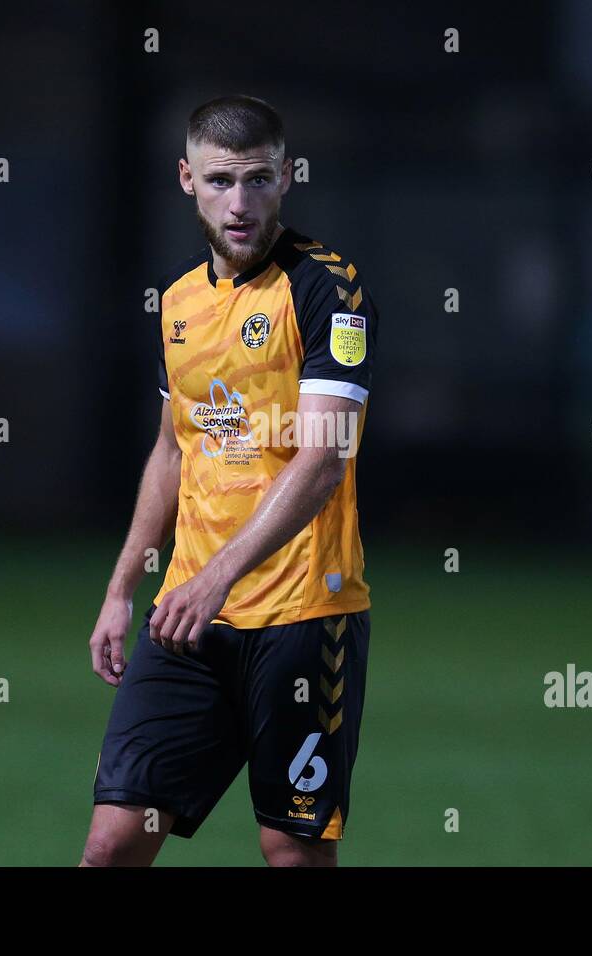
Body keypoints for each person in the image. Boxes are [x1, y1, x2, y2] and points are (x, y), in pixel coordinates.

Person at [80, 94, 379, 867]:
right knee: (114, 841)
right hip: (187, 615)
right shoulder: (177, 304)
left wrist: (219, 577)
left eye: (256, 180)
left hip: (302, 614)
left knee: (291, 848)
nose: (238, 203)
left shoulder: (326, 289)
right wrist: (122, 587)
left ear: (288, 177)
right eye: (219, 181)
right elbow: (171, 452)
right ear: (186, 178)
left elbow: (322, 459)